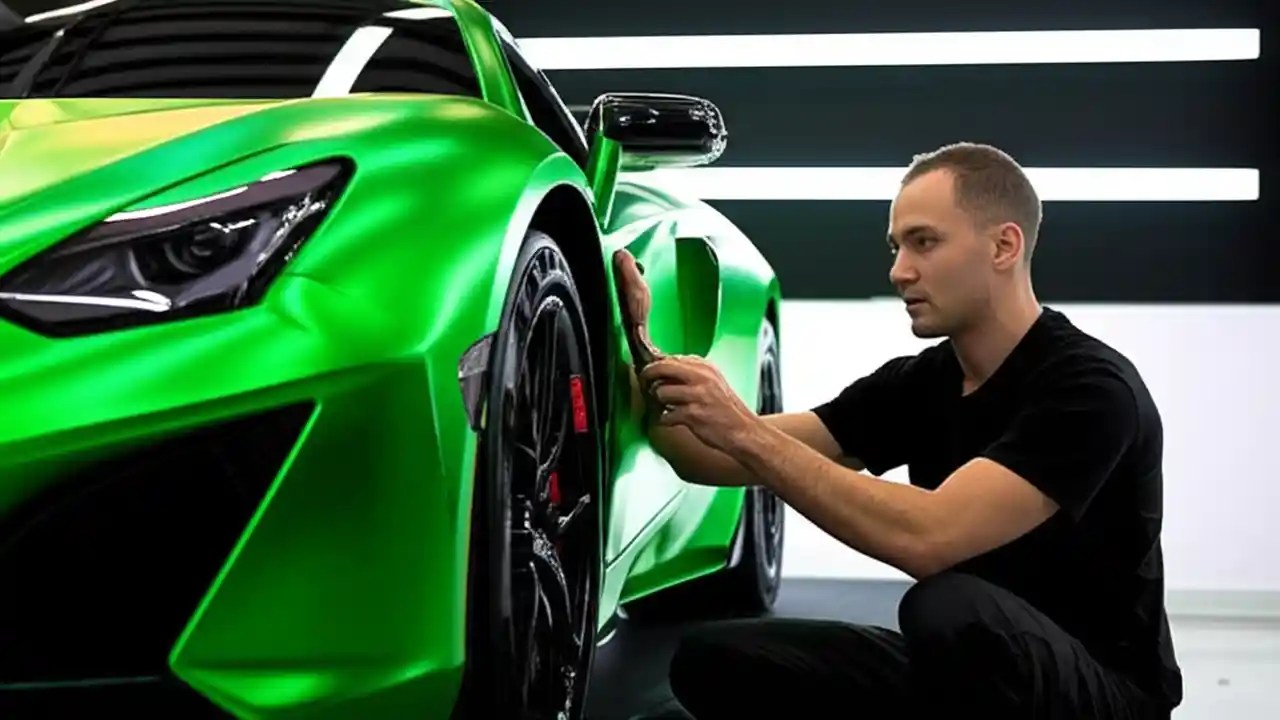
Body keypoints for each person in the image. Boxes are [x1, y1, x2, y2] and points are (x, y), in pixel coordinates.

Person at [612, 141, 1181, 719]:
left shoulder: (1090, 389)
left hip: (1103, 693)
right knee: (713, 659)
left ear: (1004, 246)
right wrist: (634, 346)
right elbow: (707, 457)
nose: (899, 271)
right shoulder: (922, 382)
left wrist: (743, 430)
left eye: (924, 243)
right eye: (896, 247)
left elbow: (930, 537)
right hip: (972, 665)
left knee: (947, 606)